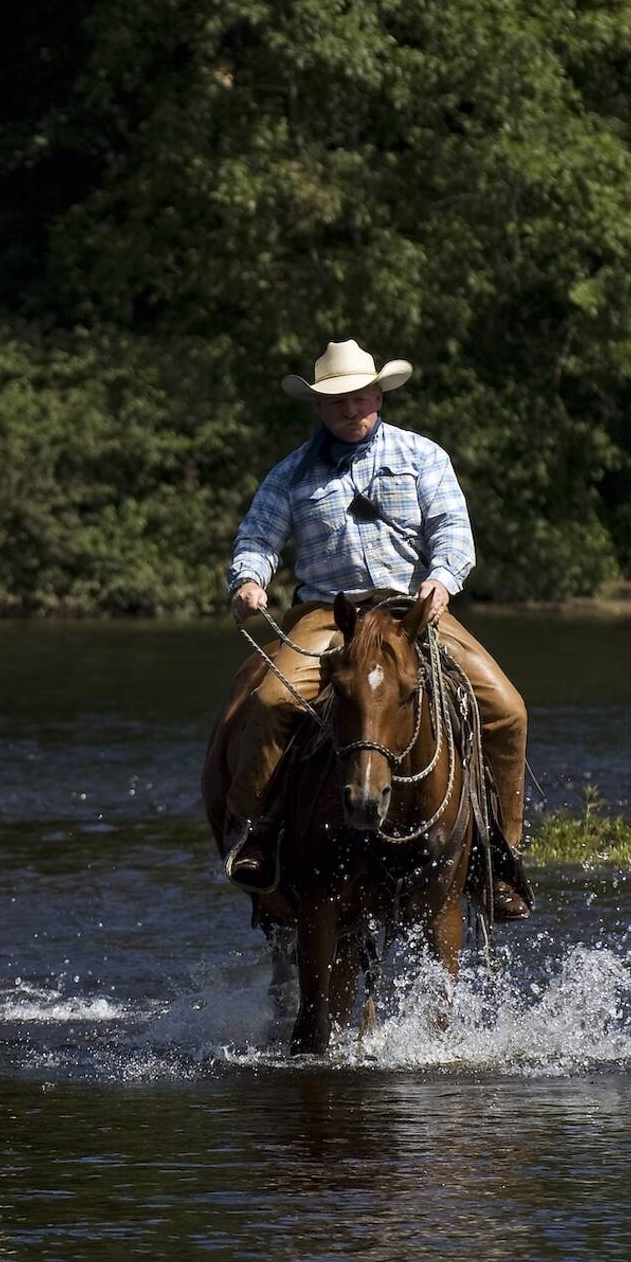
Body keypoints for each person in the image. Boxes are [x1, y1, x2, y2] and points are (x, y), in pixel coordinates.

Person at [221, 339, 531, 920]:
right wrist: (248, 581)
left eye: (361, 397)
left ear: (378, 396)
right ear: (318, 407)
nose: (351, 409)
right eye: (337, 401)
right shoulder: (290, 473)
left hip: (411, 612)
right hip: (324, 616)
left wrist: (440, 583)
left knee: (508, 710)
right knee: (268, 699)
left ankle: (500, 853)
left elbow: (452, 533)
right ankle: (258, 834)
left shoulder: (422, 456)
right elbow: (258, 538)